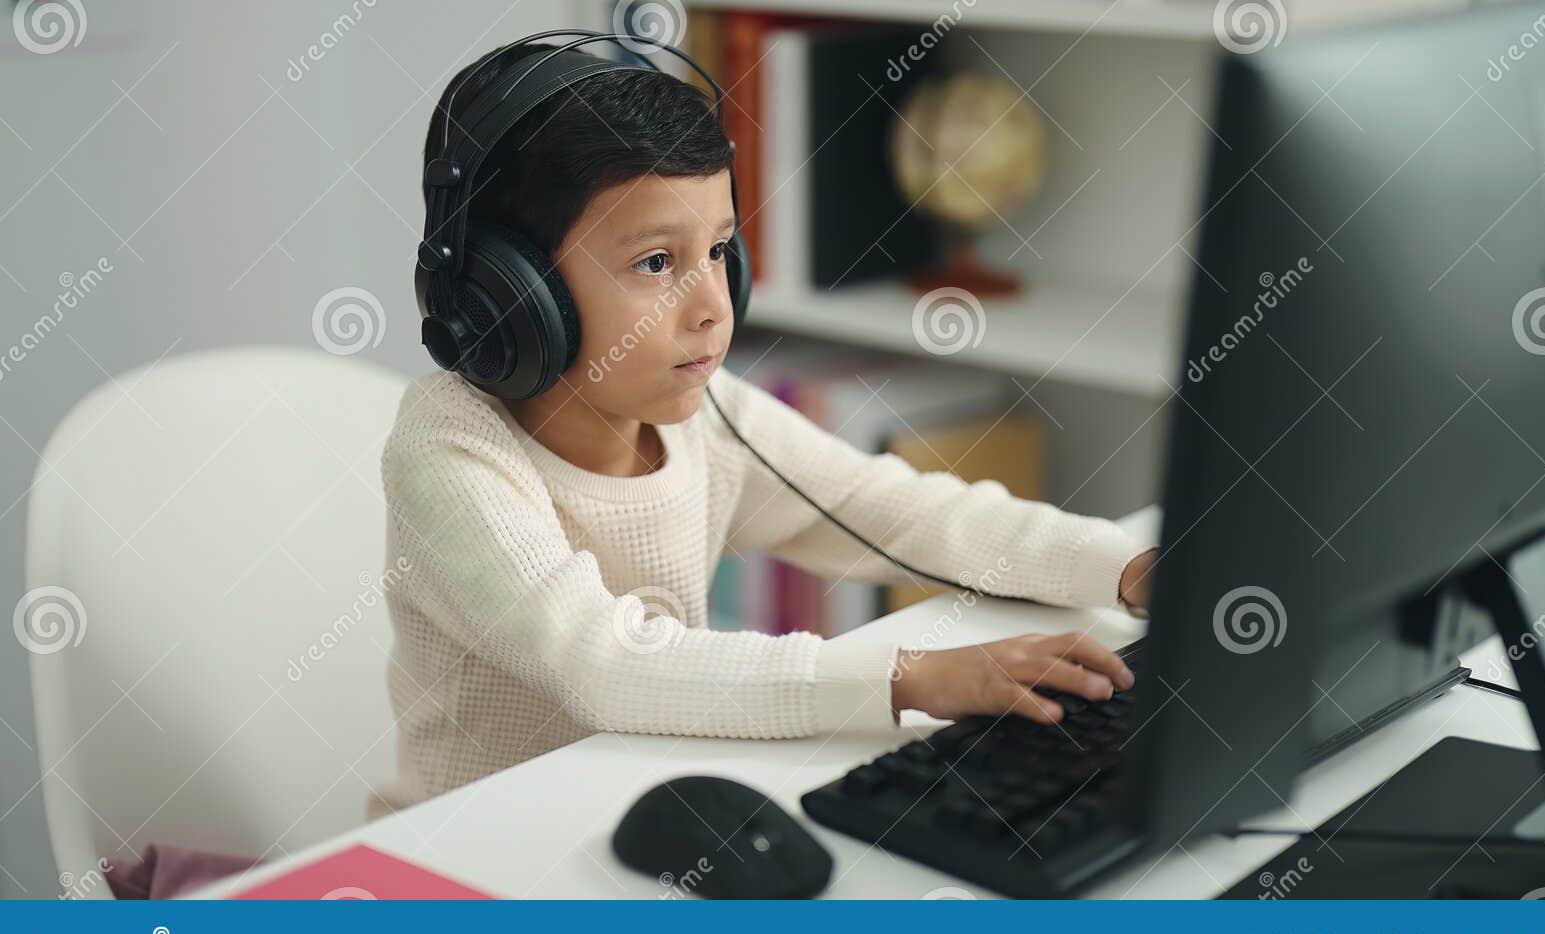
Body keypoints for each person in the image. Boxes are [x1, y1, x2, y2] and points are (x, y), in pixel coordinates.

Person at [369, 46, 1158, 818]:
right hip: (472, 855)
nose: (712, 304)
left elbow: (894, 508)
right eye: (654, 262)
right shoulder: (452, 450)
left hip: (641, 814)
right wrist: (910, 677)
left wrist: (1125, 567)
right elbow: (605, 665)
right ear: (513, 295)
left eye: (717, 250)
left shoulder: (706, 415)